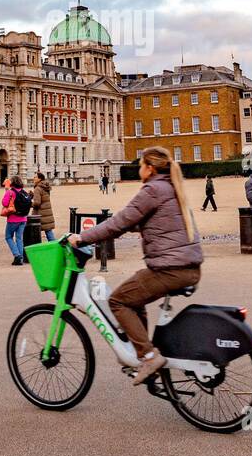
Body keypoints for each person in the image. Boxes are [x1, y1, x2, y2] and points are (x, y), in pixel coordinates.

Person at [66, 146, 203, 385]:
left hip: (170, 269)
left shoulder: (152, 189)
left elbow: (119, 221)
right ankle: (144, 350)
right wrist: (124, 227)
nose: (139, 168)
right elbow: (140, 222)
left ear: (149, 168)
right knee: (134, 295)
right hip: (185, 267)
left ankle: (149, 357)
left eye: (141, 164)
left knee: (118, 301)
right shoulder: (169, 187)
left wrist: (82, 237)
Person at [1, 176, 31, 265]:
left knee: (8, 237)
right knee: (19, 238)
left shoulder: (10, 192)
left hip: (13, 218)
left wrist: (6, 191)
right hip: (23, 219)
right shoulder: (24, 192)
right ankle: (20, 258)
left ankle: (17, 255)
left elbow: (4, 203)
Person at [32, 172, 56, 242]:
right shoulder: (45, 187)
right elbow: (43, 198)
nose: (34, 178)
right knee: (49, 232)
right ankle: (54, 248)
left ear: (39, 179)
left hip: (40, 214)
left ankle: (38, 250)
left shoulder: (37, 188)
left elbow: (37, 203)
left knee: (35, 233)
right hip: (47, 213)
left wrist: (30, 204)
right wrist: (33, 195)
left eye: (35, 177)